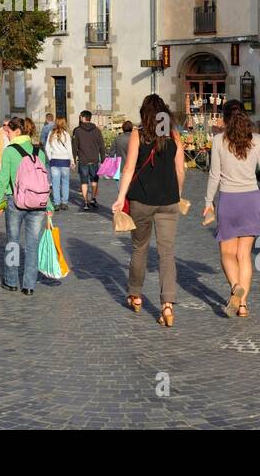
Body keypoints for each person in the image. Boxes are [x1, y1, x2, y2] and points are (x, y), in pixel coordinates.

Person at [113, 94, 185, 326]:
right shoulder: (173, 135)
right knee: (167, 253)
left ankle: (135, 294)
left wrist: (120, 197)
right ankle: (167, 305)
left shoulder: (139, 134)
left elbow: (129, 168)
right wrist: (178, 194)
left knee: (139, 248)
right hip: (168, 200)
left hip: (141, 201)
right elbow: (180, 170)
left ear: (145, 114)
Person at [204, 104, 260, 318]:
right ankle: (243, 305)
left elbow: (214, 175)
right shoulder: (258, 141)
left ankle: (235, 286)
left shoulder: (219, 141)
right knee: (244, 255)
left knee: (227, 253)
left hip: (229, 200)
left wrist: (209, 201)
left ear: (226, 120)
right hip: (251, 200)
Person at [0, 117, 52, 295]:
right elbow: (44, 179)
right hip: (39, 204)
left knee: (13, 242)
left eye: (8, 132)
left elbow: (3, 179)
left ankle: (11, 281)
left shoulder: (10, 151)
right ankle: (29, 285)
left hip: (16, 202)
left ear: (17, 132)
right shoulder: (38, 150)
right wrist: (49, 204)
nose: (7, 135)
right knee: (32, 245)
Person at [71, 110, 107, 210]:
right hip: (94, 160)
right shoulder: (97, 130)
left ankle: (86, 202)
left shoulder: (77, 130)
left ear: (82, 117)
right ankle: (93, 198)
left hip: (83, 160)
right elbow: (102, 146)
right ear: (90, 118)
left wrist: (73, 159)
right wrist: (103, 159)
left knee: (84, 182)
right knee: (94, 180)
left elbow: (74, 147)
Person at [44, 116, 72, 212]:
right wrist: (72, 160)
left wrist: (50, 158)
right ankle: (64, 202)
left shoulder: (51, 134)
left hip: (54, 160)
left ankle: (56, 203)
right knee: (65, 182)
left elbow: (47, 148)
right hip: (65, 160)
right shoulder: (66, 134)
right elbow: (69, 149)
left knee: (55, 182)